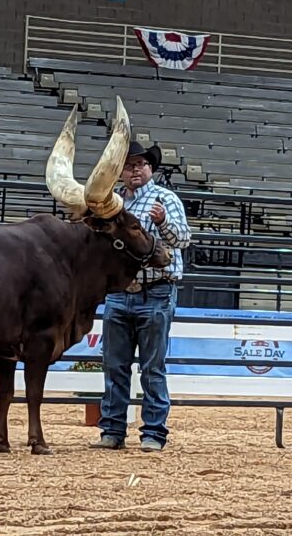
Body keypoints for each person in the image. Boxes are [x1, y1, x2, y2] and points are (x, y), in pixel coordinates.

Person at [89, 141, 191, 452]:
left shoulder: (165, 199)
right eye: (129, 165)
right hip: (120, 292)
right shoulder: (113, 203)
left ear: (150, 169)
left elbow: (183, 239)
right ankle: (113, 430)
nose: (135, 170)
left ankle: (153, 433)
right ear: (120, 172)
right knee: (115, 365)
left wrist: (162, 222)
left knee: (152, 367)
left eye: (141, 164)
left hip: (155, 290)